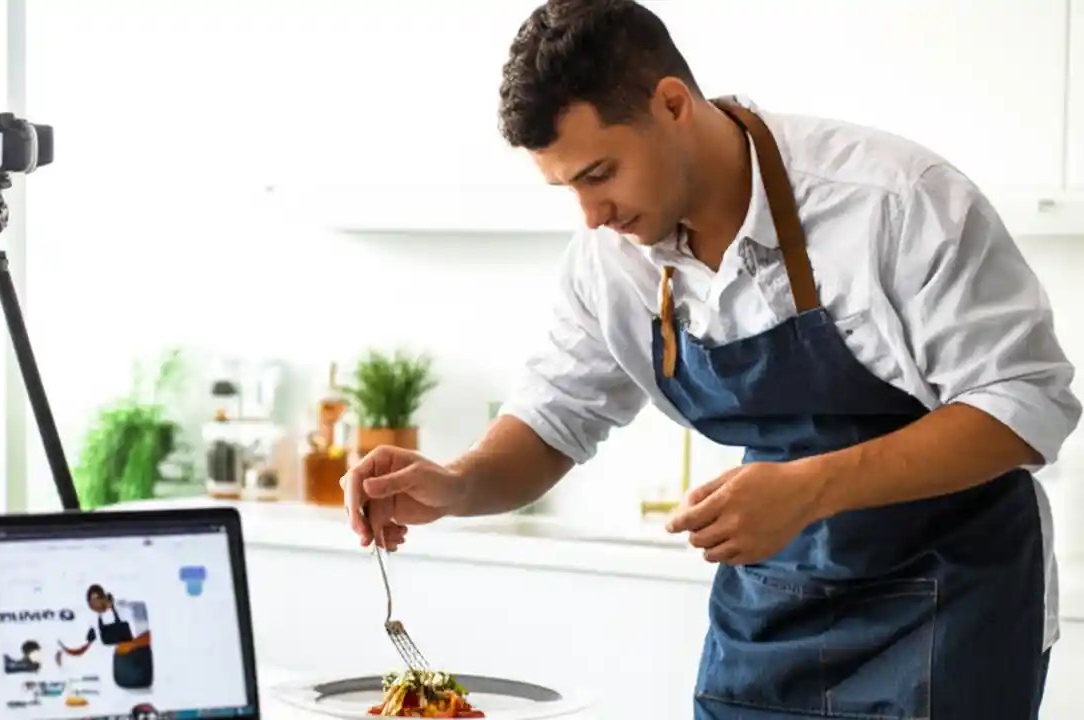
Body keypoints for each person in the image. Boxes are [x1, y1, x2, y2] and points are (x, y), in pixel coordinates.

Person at [340, 1, 1081, 718]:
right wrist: (459, 484)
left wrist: (808, 489)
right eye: (566, 187)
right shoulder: (611, 257)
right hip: (767, 627)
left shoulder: (893, 202)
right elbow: (556, 418)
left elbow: (1024, 402)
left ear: (671, 104)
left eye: (599, 173)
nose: (590, 214)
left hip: (947, 613)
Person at [57, 584, 154, 690]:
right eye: (90, 604)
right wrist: (65, 652)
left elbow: (145, 633)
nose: (93, 606)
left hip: (138, 661)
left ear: (103, 597)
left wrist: (130, 646)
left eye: (95, 601)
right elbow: (84, 646)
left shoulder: (125, 608)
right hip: (118, 669)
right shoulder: (94, 620)